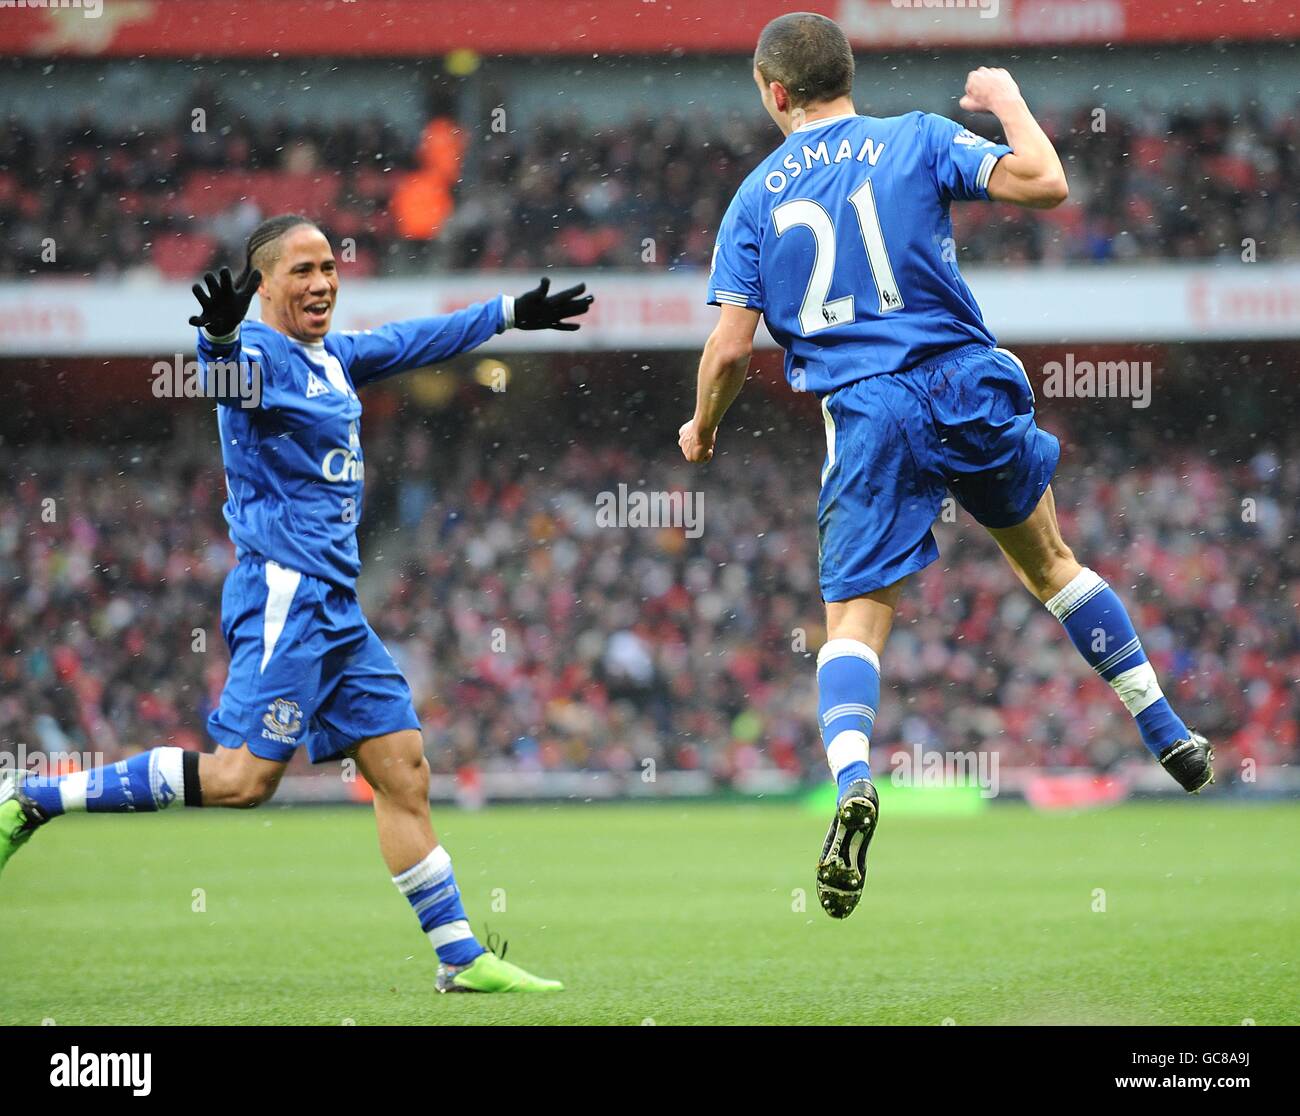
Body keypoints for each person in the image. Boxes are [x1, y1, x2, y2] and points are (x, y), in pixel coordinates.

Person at [677, 13, 1212, 921]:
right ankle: (1164, 727)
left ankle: (853, 780)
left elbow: (730, 352)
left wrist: (702, 427)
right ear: (847, 73)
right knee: (1050, 562)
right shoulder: (917, 137)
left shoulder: (755, 198)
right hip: (965, 378)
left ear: (775, 93)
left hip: (869, 406)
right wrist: (1006, 99)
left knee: (855, 620)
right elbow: (1046, 182)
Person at [0, 215, 593, 993]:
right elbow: (225, 378)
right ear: (267, 285)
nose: (321, 283)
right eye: (303, 271)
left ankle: (458, 956)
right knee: (245, 780)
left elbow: (421, 338)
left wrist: (511, 314)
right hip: (284, 590)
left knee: (403, 768)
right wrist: (216, 338)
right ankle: (33, 799)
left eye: (329, 267)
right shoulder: (260, 358)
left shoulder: (335, 358)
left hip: (336, 607)